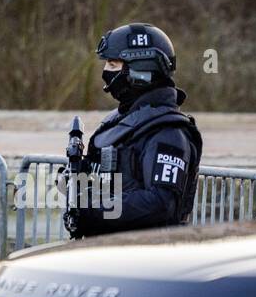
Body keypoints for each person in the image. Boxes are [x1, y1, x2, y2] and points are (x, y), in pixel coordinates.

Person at [65, 23, 203, 238]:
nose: (106, 72)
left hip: (145, 257)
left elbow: (160, 202)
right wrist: (76, 179)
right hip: (108, 251)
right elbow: (113, 183)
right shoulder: (121, 121)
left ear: (141, 70)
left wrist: (94, 210)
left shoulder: (168, 133)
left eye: (113, 64)